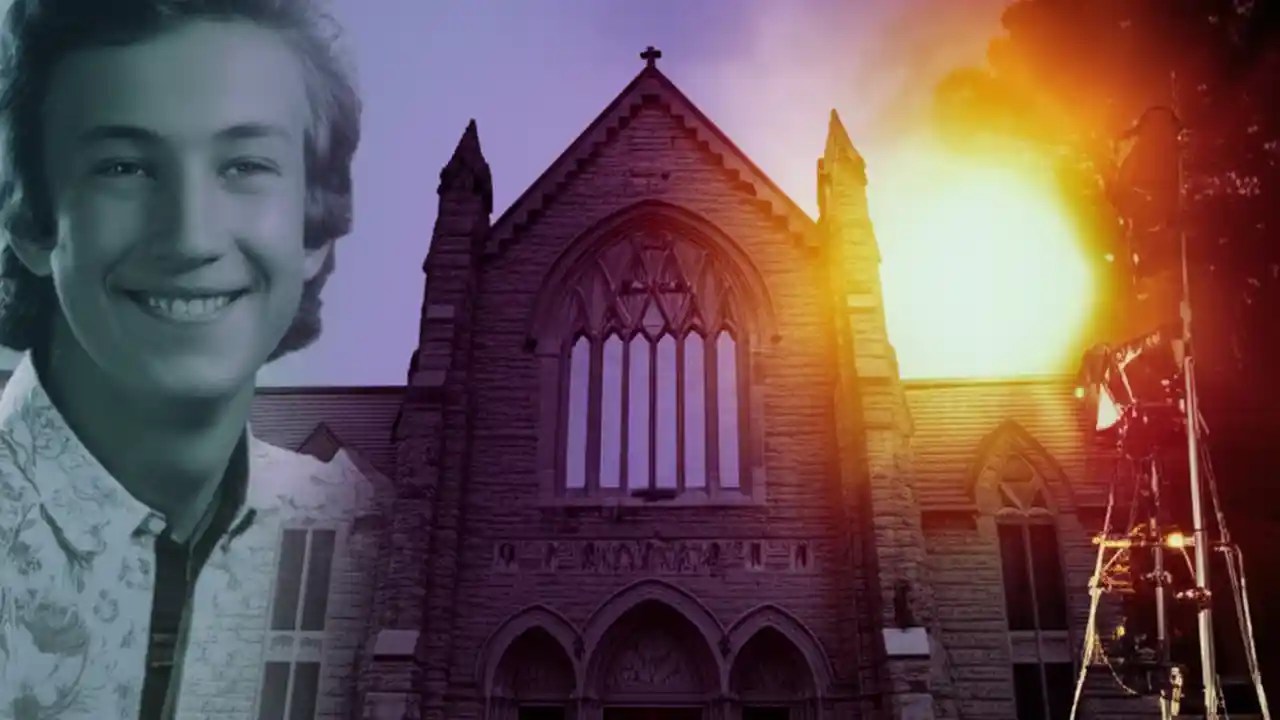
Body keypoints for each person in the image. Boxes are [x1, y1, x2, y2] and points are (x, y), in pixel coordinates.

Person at [0, 0, 365, 717]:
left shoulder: (359, 528)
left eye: (245, 164)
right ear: (33, 224)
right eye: (125, 166)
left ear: (314, 230)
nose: (191, 236)